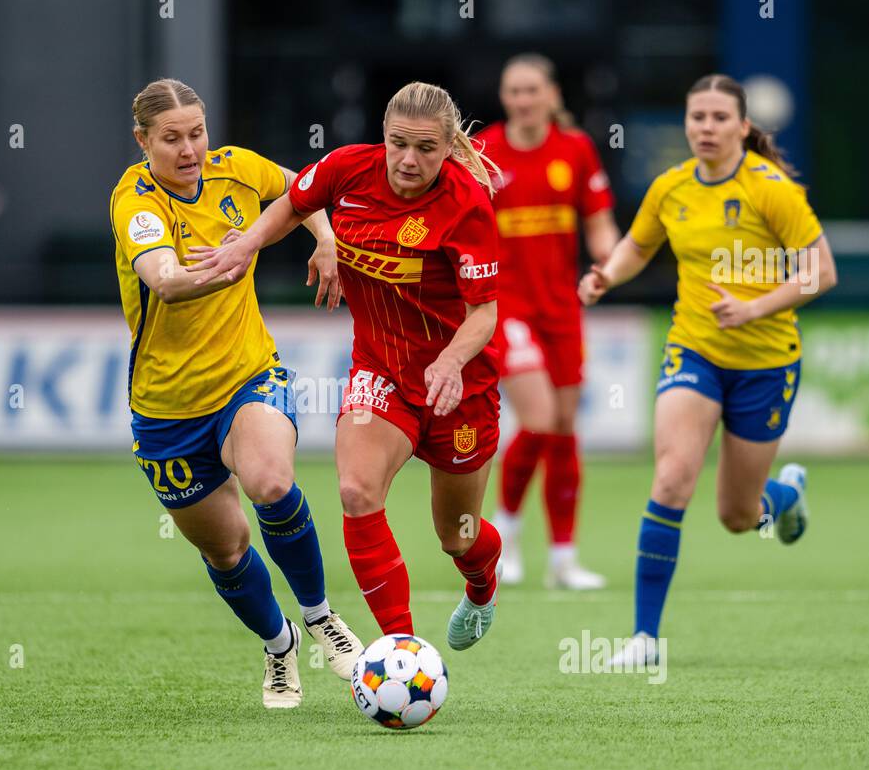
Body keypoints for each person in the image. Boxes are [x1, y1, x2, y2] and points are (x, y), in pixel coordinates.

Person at [189, 81, 506, 652]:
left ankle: (483, 586)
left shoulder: (466, 205)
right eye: (398, 144)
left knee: (456, 537)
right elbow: (292, 204)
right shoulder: (347, 170)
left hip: (459, 385)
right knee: (358, 492)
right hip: (380, 372)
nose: (410, 160)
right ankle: (401, 653)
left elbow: (485, 312)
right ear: (382, 137)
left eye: (426, 149)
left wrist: (454, 361)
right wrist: (248, 246)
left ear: (448, 147)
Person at [109, 78, 362, 708]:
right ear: (143, 141)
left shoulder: (238, 170)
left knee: (270, 481)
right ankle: (280, 649)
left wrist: (326, 238)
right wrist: (231, 263)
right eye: (172, 138)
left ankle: (322, 618)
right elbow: (164, 282)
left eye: (197, 132)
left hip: (249, 374)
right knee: (226, 549)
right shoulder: (135, 202)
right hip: (166, 409)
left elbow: (305, 188)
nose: (190, 149)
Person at [578, 74, 838, 666]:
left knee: (737, 515)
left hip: (767, 362)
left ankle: (785, 495)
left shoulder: (771, 190)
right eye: (698, 117)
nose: (707, 128)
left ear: (743, 127)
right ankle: (645, 639)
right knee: (671, 479)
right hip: (692, 350)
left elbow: (821, 272)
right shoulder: (670, 187)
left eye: (720, 118)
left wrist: (753, 307)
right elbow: (638, 247)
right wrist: (605, 276)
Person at [474, 55, 620, 590]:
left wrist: (607, 266)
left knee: (562, 431)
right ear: (504, 96)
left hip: (562, 308)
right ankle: (505, 536)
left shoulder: (575, 150)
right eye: (513, 90)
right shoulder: (482, 152)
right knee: (536, 419)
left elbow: (600, 225)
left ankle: (564, 559)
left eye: (532, 90)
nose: (522, 99)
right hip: (506, 307)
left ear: (551, 94)